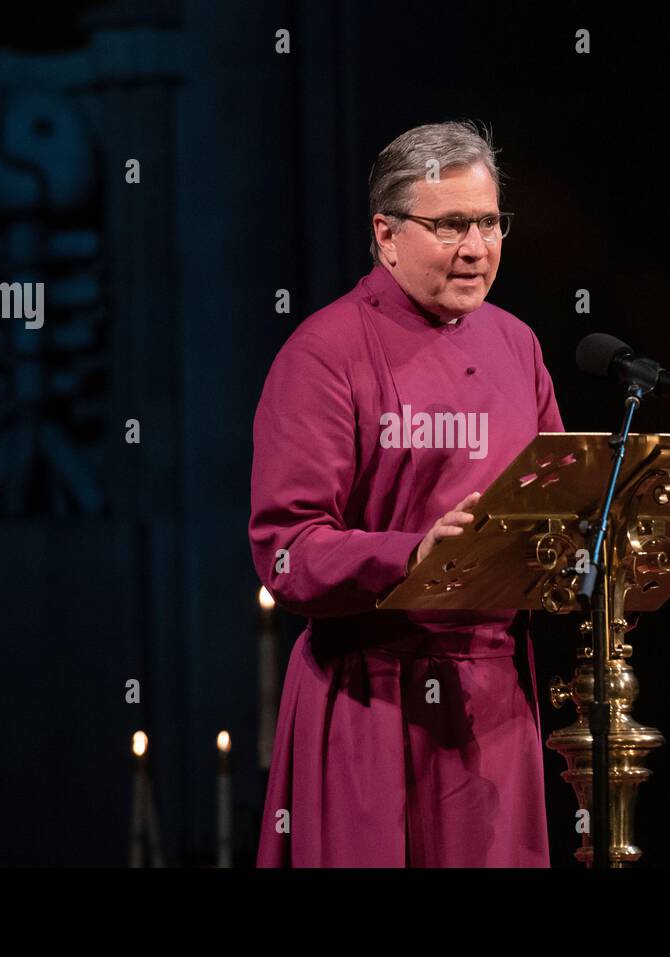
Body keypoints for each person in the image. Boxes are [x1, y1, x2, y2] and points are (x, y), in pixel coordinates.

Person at [249, 120, 565, 866]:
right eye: (450, 223)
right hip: (373, 695)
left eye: (489, 222)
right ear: (385, 234)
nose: (476, 247)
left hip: (494, 697)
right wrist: (412, 554)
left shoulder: (516, 344)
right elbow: (286, 551)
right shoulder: (325, 352)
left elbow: (558, 494)